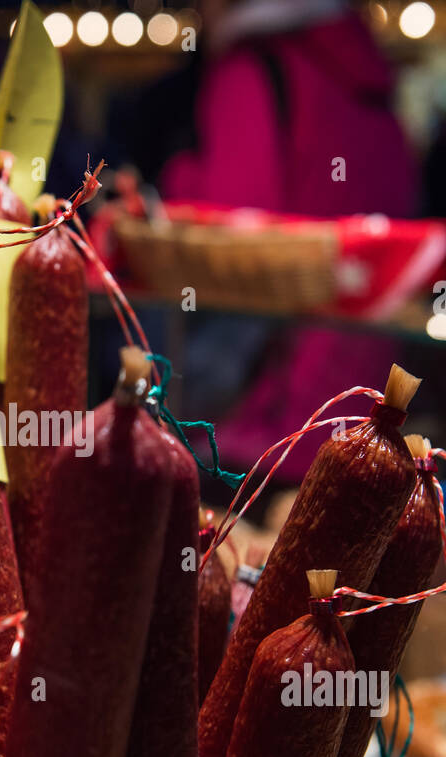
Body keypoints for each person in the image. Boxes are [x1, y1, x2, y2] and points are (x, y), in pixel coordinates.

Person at [160, 0, 417, 479]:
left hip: (268, 423)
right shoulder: (367, 73)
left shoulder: (251, 69)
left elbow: (230, 235)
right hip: (365, 412)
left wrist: (178, 183)